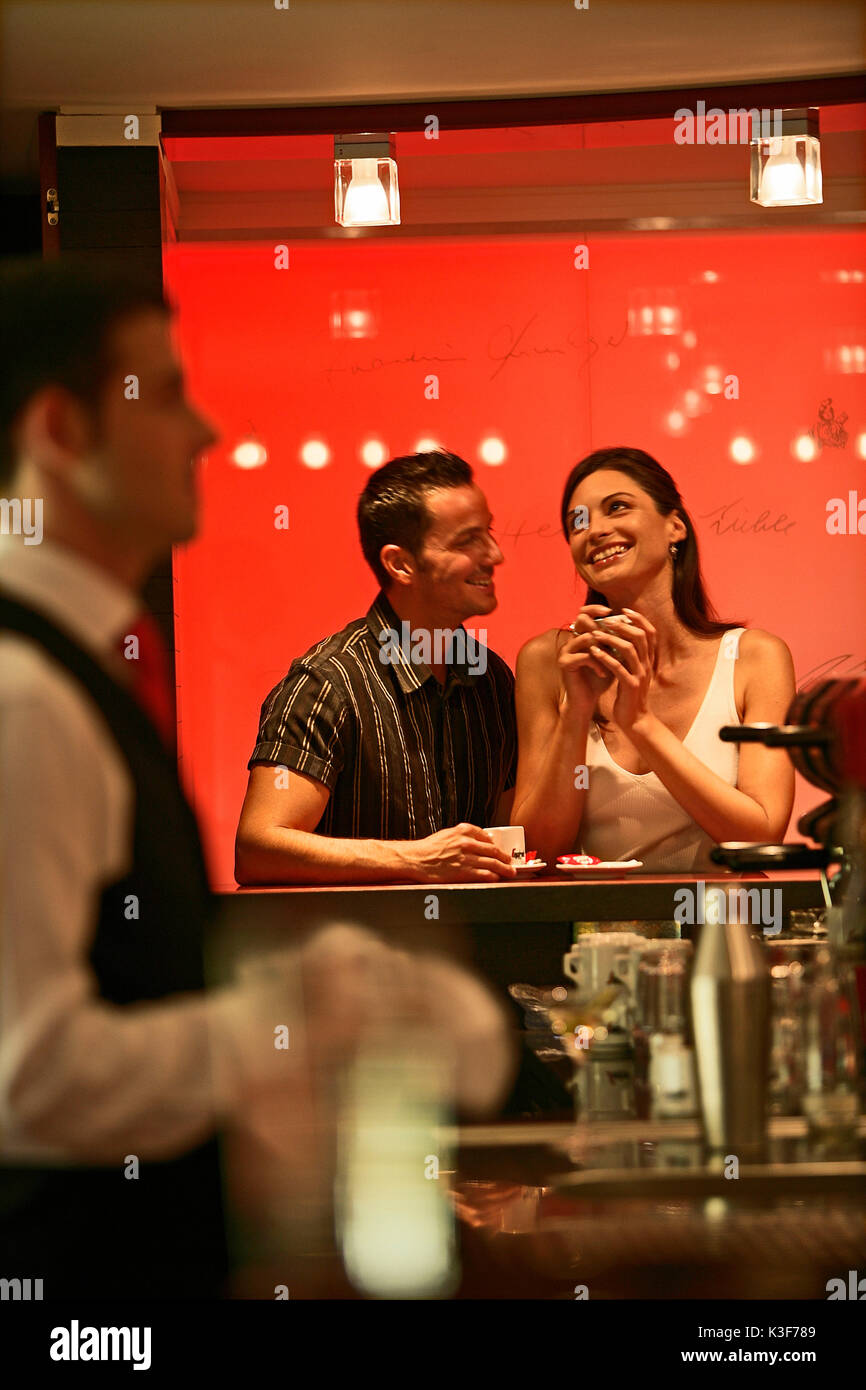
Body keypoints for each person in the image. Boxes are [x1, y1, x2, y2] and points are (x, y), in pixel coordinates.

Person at [0, 258, 514, 1299]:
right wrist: (304, 1013)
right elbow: (27, 1074)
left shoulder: (73, 664)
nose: (208, 434)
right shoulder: (24, 692)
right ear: (60, 430)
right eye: (166, 393)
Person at [235, 450, 519, 885]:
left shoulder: (491, 678)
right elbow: (258, 848)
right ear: (400, 564)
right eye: (467, 541)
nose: (494, 555)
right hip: (354, 949)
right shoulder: (328, 682)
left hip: (471, 946)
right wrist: (416, 860)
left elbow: (506, 835)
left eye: (489, 533)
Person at [512, 446, 795, 870]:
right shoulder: (549, 662)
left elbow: (759, 838)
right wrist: (576, 713)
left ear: (675, 526)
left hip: (722, 928)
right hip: (596, 933)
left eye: (618, 508)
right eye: (578, 523)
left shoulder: (754, 658)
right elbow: (538, 850)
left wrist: (640, 723)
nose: (596, 530)